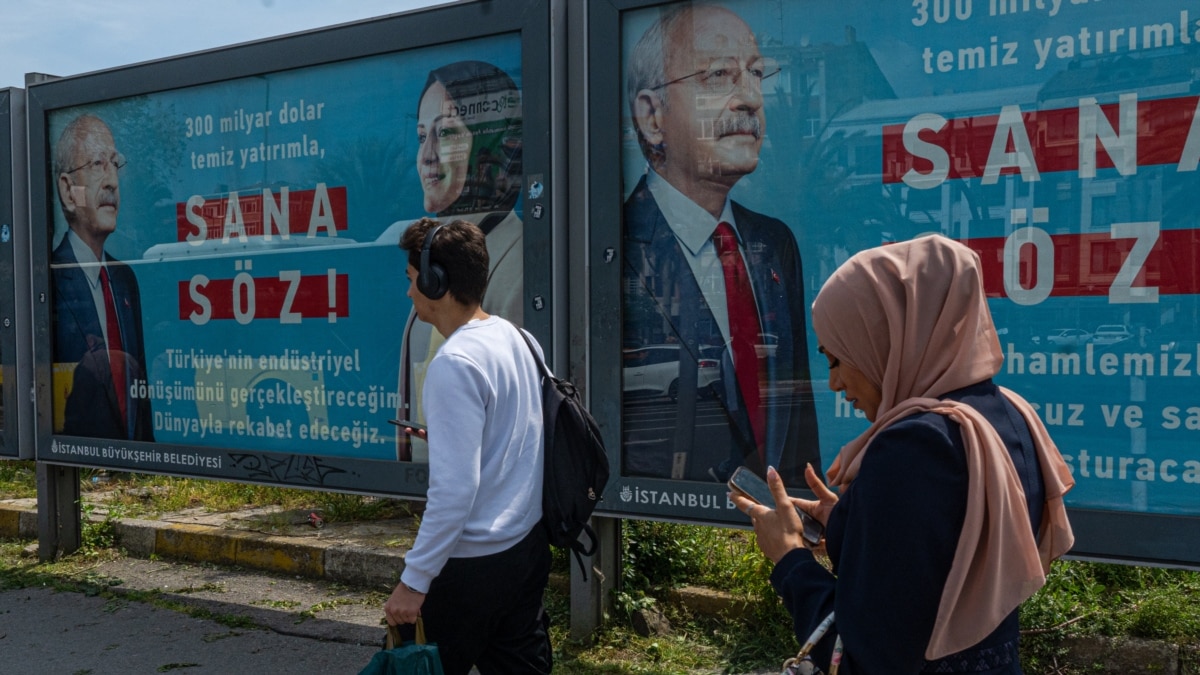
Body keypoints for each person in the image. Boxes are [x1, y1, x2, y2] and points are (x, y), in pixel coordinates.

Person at [730, 235, 1076, 673]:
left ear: (888, 338)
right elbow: (936, 562)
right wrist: (849, 523)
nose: (835, 383)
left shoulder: (913, 448)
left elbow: (862, 660)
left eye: (837, 358)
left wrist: (790, 559)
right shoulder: (1007, 415)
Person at [622, 2, 819, 484]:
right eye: (718, 75)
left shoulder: (773, 243)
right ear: (653, 117)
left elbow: (794, 409)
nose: (750, 97)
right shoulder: (617, 242)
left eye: (755, 73)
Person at [384, 217, 551, 674]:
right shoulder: (520, 340)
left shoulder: (453, 363)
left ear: (437, 282)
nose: (409, 293)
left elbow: (454, 493)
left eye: (413, 280)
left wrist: (413, 583)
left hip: (471, 568)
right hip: (524, 550)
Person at [395, 59, 524, 461]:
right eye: (421, 136)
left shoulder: (519, 269)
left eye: (446, 133)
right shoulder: (433, 269)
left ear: (495, 149)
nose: (427, 156)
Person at [51, 113, 154, 441]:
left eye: (114, 164)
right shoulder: (48, 279)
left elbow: (139, 392)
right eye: (97, 164)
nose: (111, 180)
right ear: (68, 191)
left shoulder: (125, 280)